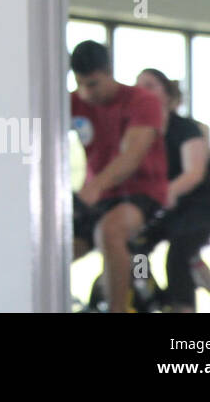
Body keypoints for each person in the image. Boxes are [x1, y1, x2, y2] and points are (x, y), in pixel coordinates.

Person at [69, 40, 168, 312]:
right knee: (55, 246)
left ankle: (117, 309)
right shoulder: (75, 102)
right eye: (80, 84)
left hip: (143, 193)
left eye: (93, 84)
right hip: (100, 196)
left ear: (109, 72)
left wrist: (93, 188)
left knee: (109, 232)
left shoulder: (142, 101)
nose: (86, 93)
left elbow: (131, 157)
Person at [135, 68, 210, 312]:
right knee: (136, 247)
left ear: (167, 95)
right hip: (170, 207)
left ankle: (186, 306)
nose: (142, 91)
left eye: (150, 85)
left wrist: (166, 194)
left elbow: (194, 173)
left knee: (179, 254)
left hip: (201, 205)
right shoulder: (144, 134)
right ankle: (147, 295)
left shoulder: (185, 128)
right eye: (139, 86)